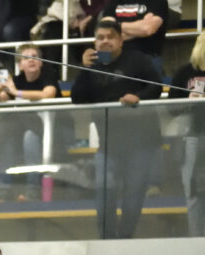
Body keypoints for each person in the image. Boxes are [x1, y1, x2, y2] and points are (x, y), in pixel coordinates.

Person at [71, 18, 163, 239]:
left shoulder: (137, 60)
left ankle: (125, 240)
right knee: (103, 195)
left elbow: (157, 86)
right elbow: (77, 98)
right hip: (108, 145)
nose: (104, 42)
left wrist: (138, 96)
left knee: (133, 198)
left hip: (141, 143)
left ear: (121, 39)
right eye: (100, 38)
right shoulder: (92, 65)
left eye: (110, 37)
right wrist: (84, 69)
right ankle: (107, 241)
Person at [0, 43, 61, 202]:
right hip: (26, 128)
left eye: (35, 57)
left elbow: (48, 94)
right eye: (26, 58)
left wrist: (16, 92)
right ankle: (4, 190)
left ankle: (33, 190)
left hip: (53, 131)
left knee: (29, 137)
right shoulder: (17, 80)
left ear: (40, 62)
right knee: (9, 139)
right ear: (20, 65)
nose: (31, 61)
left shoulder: (48, 75)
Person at [169, 32, 205, 236]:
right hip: (193, 136)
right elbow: (171, 108)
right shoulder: (186, 72)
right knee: (194, 193)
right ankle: (197, 239)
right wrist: (188, 100)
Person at [100, 0, 167, 71]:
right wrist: (138, 29)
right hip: (114, 58)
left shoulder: (157, 1)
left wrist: (115, 25)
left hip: (147, 58)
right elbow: (105, 30)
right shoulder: (114, 2)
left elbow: (147, 29)